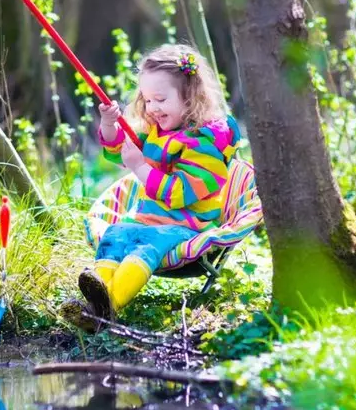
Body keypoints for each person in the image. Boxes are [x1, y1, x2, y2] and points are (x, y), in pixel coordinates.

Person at [60, 43, 241, 331]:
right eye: (146, 100)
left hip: (186, 224)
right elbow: (120, 147)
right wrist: (109, 123)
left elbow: (179, 192)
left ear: (191, 97)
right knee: (114, 235)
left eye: (160, 99)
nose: (152, 108)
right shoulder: (156, 131)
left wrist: (140, 167)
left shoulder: (204, 143)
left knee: (145, 248)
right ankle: (96, 304)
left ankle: (108, 307)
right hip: (147, 219)